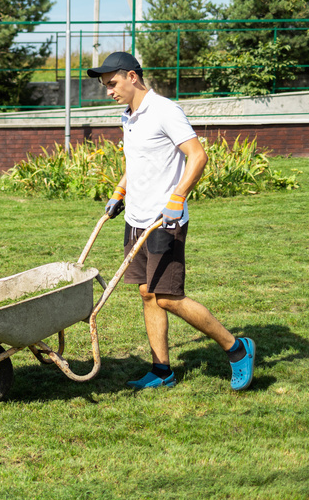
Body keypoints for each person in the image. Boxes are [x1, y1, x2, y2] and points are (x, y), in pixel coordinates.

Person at [87, 51, 256, 391]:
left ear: (132, 76)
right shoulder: (129, 116)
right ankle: (162, 371)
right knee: (148, 294)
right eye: (106, 86)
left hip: (164, 222)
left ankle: (237, 349)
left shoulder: (165, 111)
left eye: (112, 83)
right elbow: (136, 163)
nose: (109, 91)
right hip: (136, 220)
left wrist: (177, 198)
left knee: (167, 296)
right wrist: (119, 193)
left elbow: (198, 155)